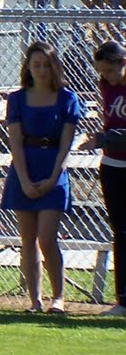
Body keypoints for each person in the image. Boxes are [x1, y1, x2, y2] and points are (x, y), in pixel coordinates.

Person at [0, 42, 82, 314]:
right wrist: (23, 180)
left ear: (55, 67)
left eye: (47, 65)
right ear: (28, 67)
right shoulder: (18, 99)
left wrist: (51, 179)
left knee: (47, 238)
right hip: (24, 170)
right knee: (28, 239)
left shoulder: (67, 99)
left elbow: (66, 146)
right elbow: (15, 143)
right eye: (37, 65)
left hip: (53, 171)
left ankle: (58, 297)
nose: (42, 70)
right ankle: (34, 300)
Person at [75, 40, 126, 317]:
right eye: (101, 71)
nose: (104, 76)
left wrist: (102, 138)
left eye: (109, 70)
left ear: (122, 63)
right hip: (111, 165)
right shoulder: (105, 85)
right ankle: (123, 300)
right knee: (121, 233)